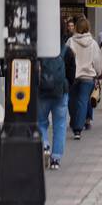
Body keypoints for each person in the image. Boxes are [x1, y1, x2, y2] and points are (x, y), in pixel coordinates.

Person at [38, 38, 75, 170]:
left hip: (42, 92)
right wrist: (66, 87)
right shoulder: (67, 51)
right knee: (60, 125)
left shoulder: (40, 50)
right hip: (61, 92)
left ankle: (44, 144)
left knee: (40, 121)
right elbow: (72, 75)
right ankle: (56, 159)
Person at [66, 17, 102, 140]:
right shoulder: (93, 44)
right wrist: (98, 73)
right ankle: (78, 129)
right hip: (88, 77)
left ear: (76, 27)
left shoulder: (70, 41)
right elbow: (97, 61)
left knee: (71, 101)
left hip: (73, 76)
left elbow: (65, 58)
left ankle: (74, 122)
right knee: (82, 102)